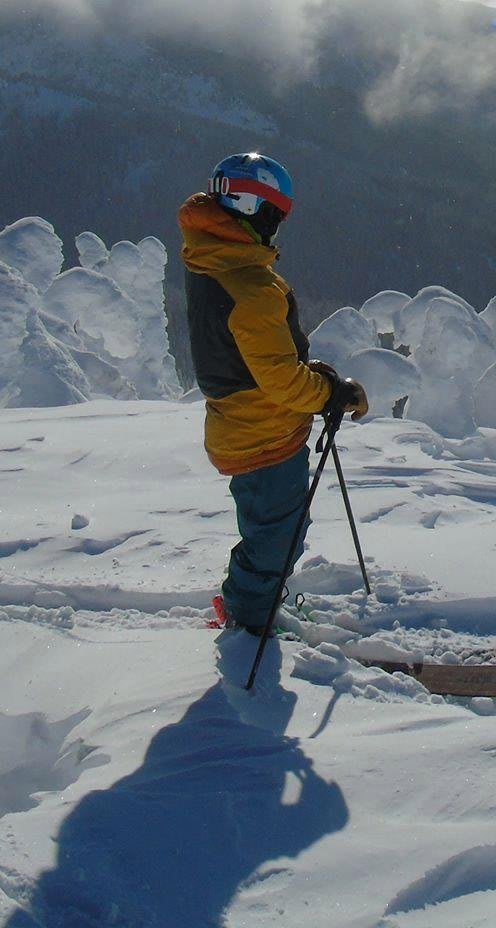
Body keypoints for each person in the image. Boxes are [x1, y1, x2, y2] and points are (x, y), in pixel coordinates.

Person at [181, 152, 367, 633]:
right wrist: (329, 394)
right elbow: (281, 382)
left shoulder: (210, 261)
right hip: (265, 435)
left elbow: (257, 358)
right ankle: (248, 620)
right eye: (275, 216)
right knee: (276, 537)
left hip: (242, 426)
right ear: (252, 209)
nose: (278, 228)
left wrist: (316, 379)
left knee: (272, 530)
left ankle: (250, 602)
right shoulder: (250, 285)